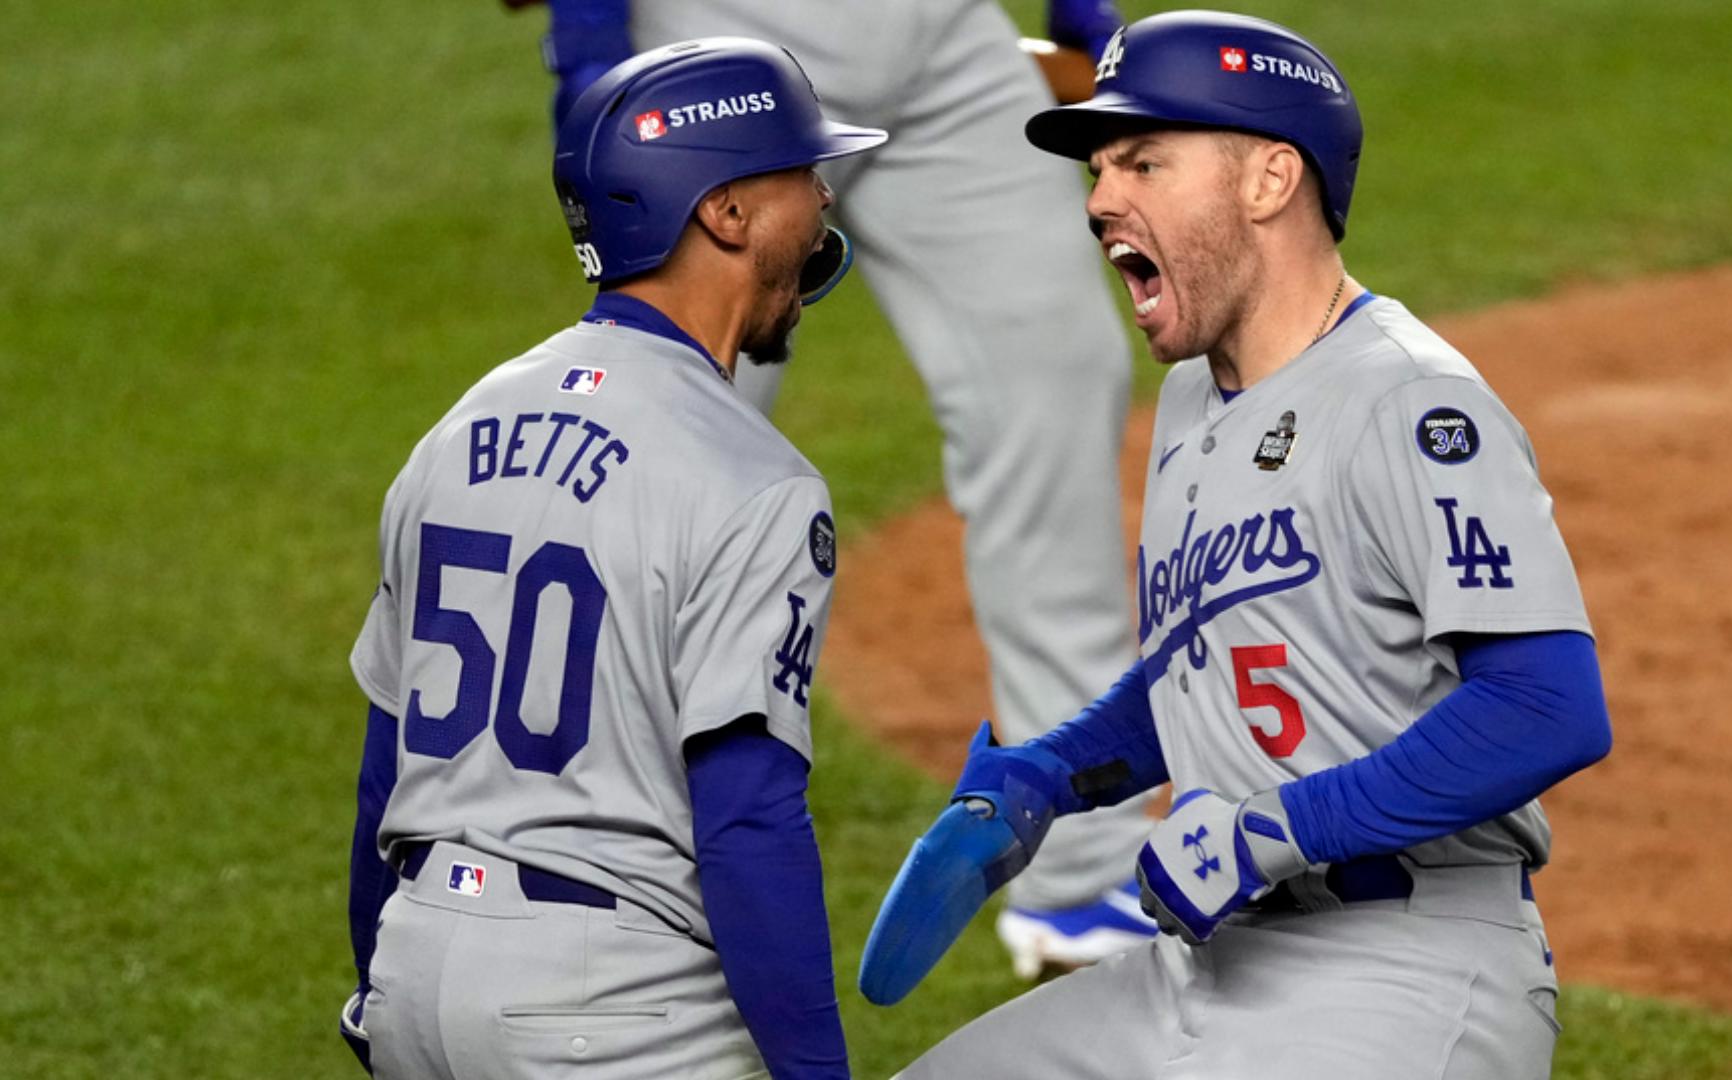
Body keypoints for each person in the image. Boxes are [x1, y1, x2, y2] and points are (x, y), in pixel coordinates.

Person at [865, 12, 1613, 1077]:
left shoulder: (1409, 402)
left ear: (1269, 180)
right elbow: (1211, 664)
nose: (1099, 201)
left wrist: (1273, 832)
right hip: (1205, 963)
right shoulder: (1191, 403)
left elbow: (1547, 708)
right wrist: (1050, 778)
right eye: (1100, 168)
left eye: (1144, 163)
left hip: (1404, 968)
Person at [517, 0, 1160, 978]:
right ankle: (569, 859)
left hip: (947, 45)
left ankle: (1081, 872)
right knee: (662, 430)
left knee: (1055, 374)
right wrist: (593, 49)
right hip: (717, 44)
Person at [337, 38, 887, 1079]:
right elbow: (747, 820)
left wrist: (385, 989)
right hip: (610, 1014)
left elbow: (384, 775)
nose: (823, 202)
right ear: (723, 213)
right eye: (800, 176)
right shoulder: (756, 482)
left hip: (415, 973)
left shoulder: (458, 429)